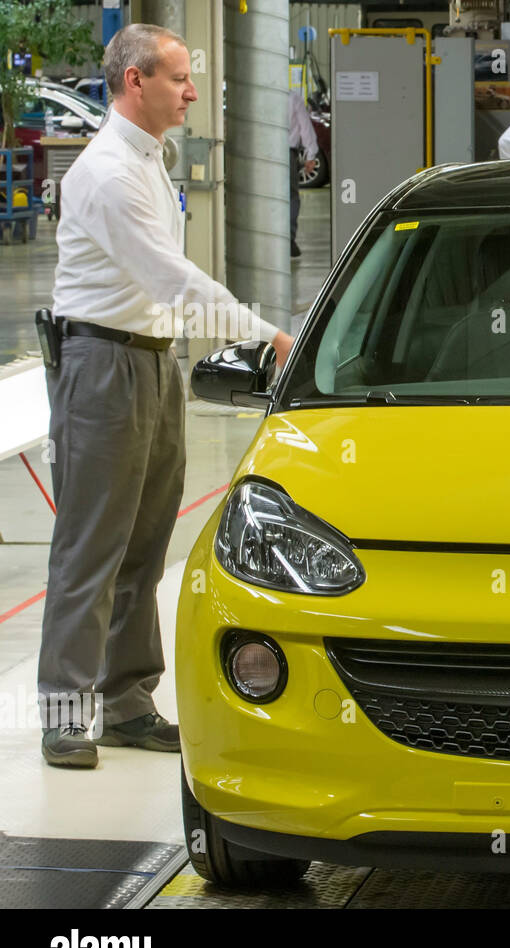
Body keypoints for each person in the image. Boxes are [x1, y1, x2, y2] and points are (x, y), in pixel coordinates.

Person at [37, 24, 292, 768]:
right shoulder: (109, 173)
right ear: (133, 82)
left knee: (145, 546)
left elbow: (169, 285)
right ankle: (63, 711)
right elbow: (170, 279)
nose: (191, 92)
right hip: (101, 366)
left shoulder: (150, 160)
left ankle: (124, 703)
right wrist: (265, 336)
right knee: (91, 547)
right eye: (179, 79)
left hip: (150, 362)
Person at [288, 89, 319, 259]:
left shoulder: (260, 95)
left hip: (262, 155)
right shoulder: (293, 98)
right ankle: (288, 240)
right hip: (287, 155)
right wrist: (311, 155)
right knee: (291, 196)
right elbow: (305, 127)